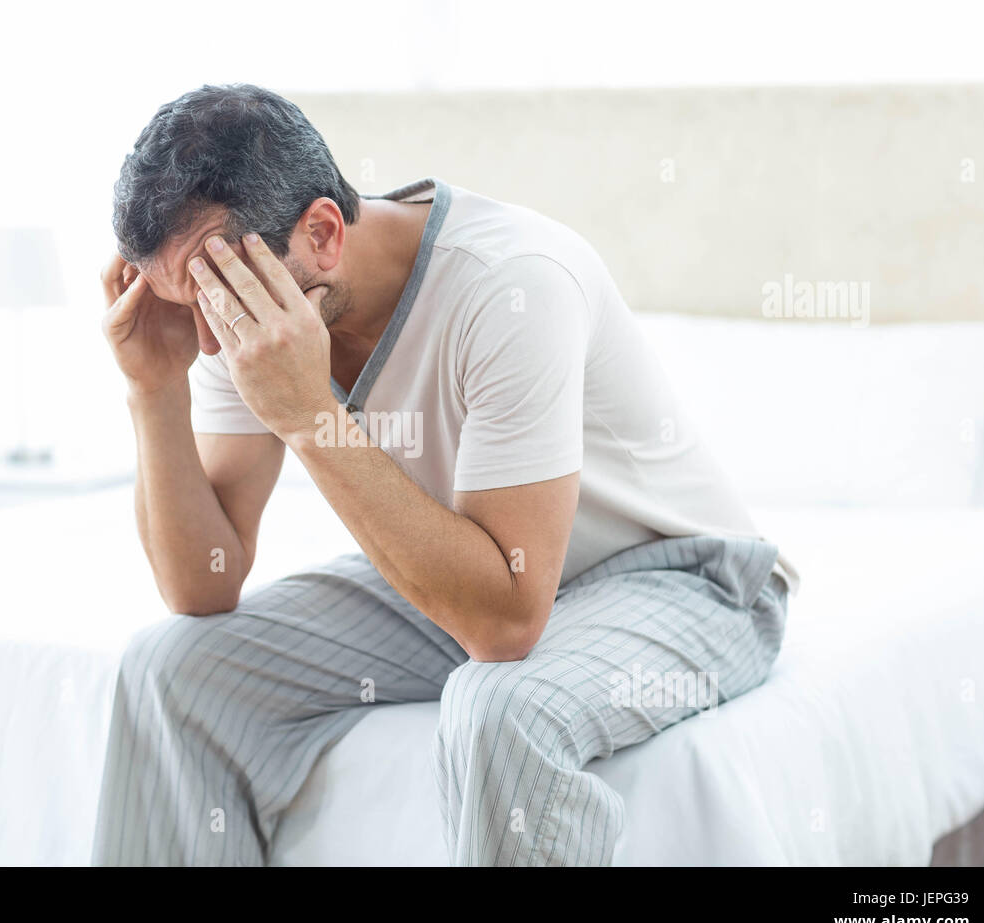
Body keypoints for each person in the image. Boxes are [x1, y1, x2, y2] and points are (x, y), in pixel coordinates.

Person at [91, 83, 797, 866]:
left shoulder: (512, 283)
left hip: (680, 578)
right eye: (186, 305)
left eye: (214, 305)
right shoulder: (235, 306)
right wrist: (154, 390)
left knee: (500, 709)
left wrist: (308, 420)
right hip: (468, 574)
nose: (213, 347)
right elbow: (203, 586)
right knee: (172, 671)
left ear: (323, 232)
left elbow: (503, 628)